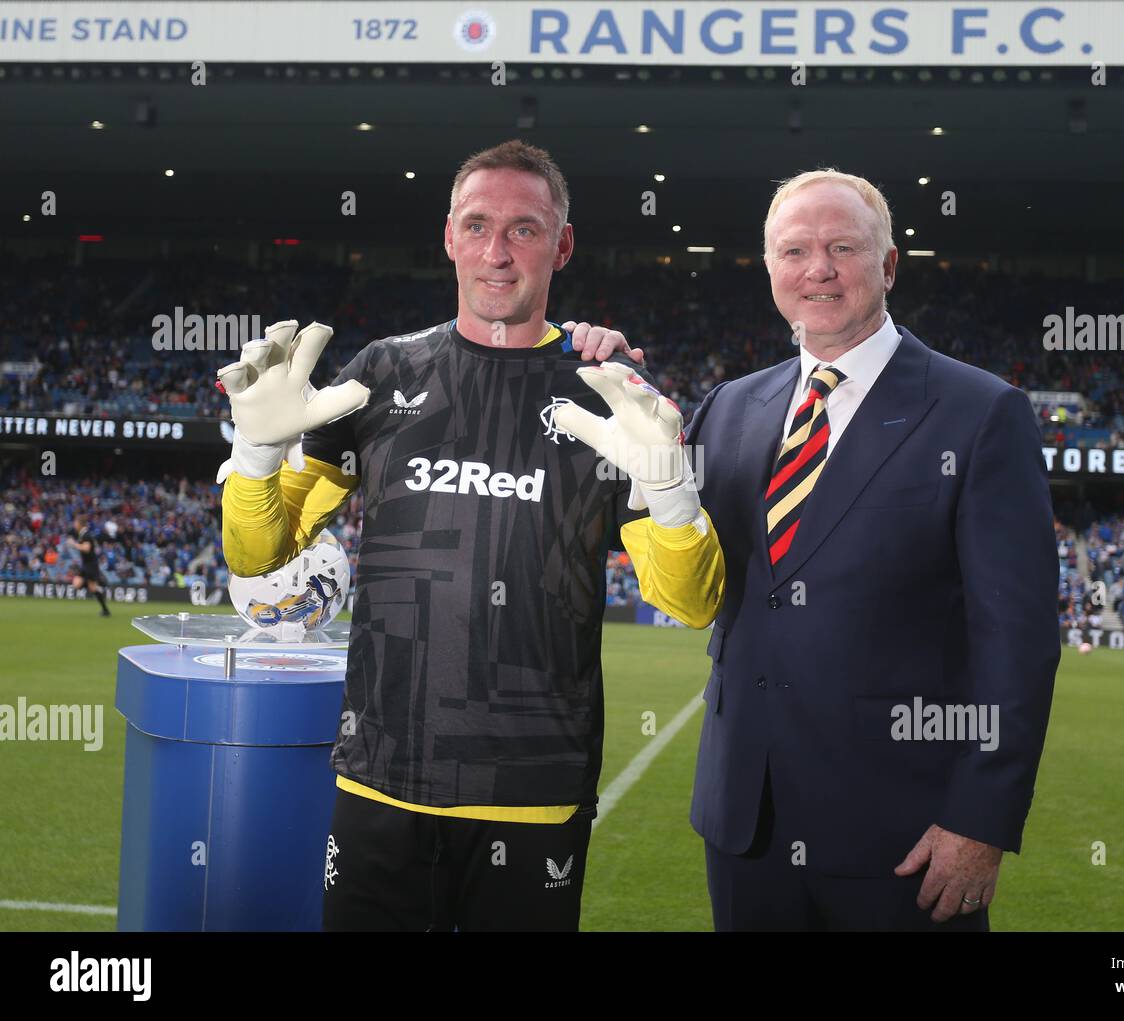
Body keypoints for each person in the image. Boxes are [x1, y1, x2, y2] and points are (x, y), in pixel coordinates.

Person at [217, 140, 723, 931]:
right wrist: (254, 459)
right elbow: (262, 555)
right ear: (448, 235)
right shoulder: (380, 374)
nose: (496, 251)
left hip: (534, 789)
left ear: (561, 245)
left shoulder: (606, 397)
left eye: (524, 230)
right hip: (381, 782)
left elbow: (692, 605)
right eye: (478, 225)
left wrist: (671, 494)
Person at [683, 169, 1060, 931]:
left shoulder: (981, 412)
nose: (817, 269)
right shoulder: (728, 408)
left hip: (905, 835)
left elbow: (1017, 641)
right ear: (769, 270)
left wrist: (981, 818)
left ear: (888, 265)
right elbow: (685, 560)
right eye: (794, 250)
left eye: (842, 247)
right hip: (744, 825)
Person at [69, 515, 111, 617]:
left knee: (79, 584)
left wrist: (74, 544)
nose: (74, 524)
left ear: (79, 524)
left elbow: (86, 548)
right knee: (85, 586)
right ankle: (105, 608)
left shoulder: (86, 535)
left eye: (75, 523)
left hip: (90, 565)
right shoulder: (83, 534)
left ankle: (101, 586)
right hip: (87, 564)